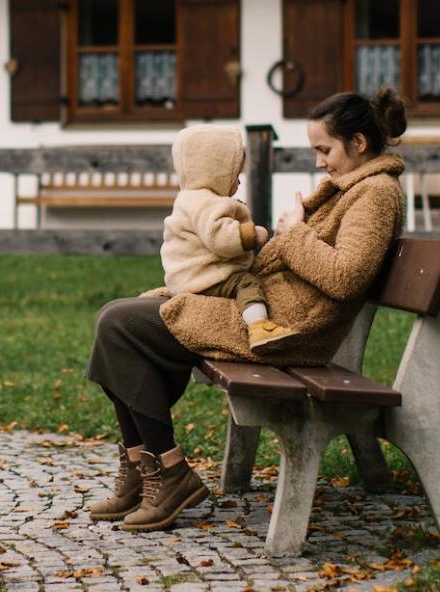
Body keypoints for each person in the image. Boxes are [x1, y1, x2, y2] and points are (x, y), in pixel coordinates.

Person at [86, 87, 408, 532]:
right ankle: (148, 468)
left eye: (324, 149)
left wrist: (292, 233)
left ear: (358, 143)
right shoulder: (354, 188)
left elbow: (345, 276)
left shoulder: (375, 195)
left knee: (120, 327)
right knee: (118, 319)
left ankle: (168, 470)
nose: (319, 162)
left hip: (287, 328)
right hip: (266, 310)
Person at [160, 124, 300, 354]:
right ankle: (259, 327)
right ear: (215, 172)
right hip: (205, 278)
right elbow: (221, 239)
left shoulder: (190, 199)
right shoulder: (207, 203)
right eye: (235, 175)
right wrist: (253, 234)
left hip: (188, 276)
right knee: (247, 283)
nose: (240, 182)